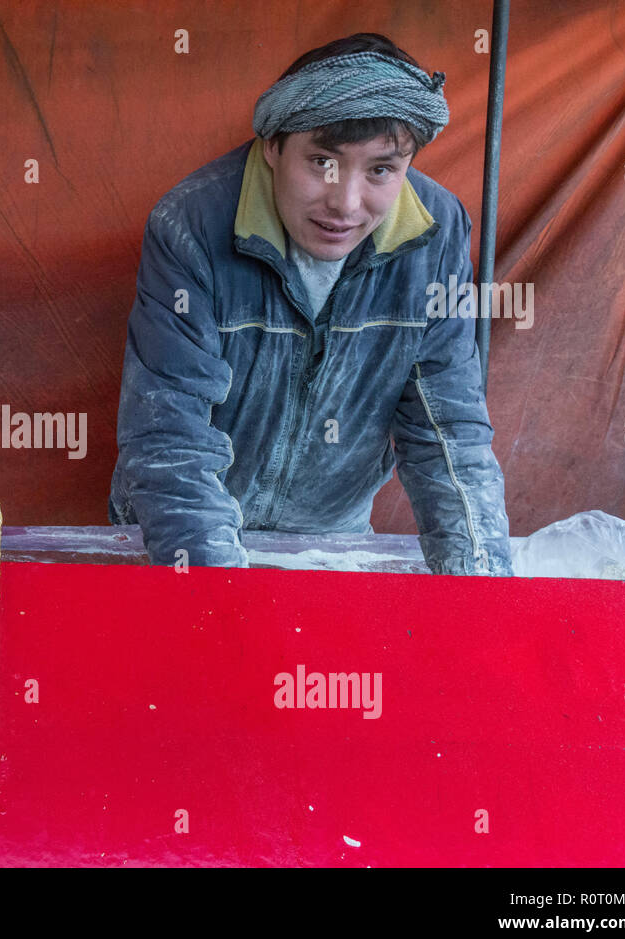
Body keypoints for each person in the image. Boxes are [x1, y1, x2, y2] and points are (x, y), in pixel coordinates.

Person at [107, 33, 514, 575]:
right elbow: (170, 434)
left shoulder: (436, 237)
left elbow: (448, 435)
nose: (345, 203)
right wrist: (216, 601)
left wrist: (483, 593)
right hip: (177, 537)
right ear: (273, 146)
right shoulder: (191, 225)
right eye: (322, 161)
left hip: (330, 543)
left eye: (381, 170)